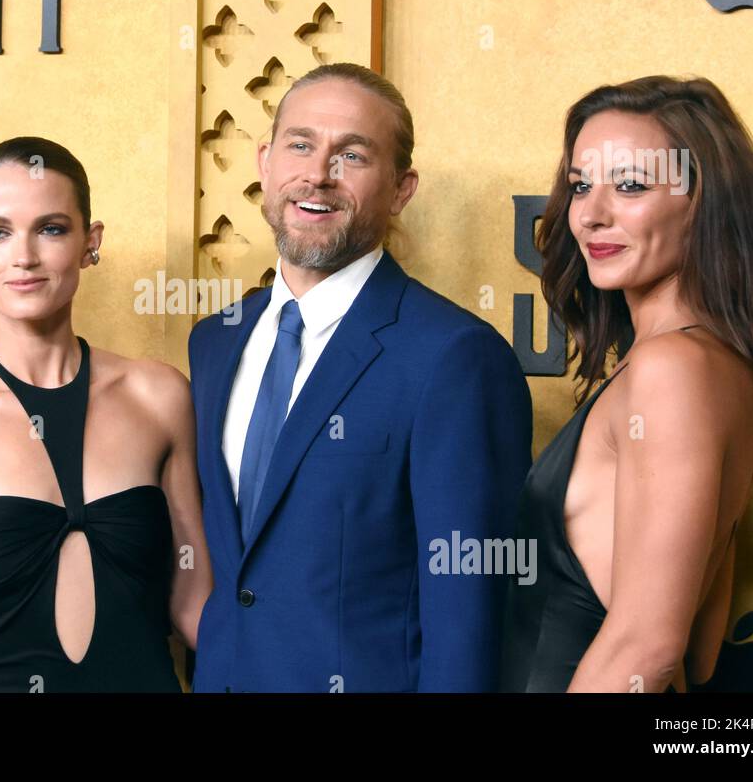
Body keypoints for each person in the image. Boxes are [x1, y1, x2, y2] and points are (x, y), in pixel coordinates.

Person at [188, 63, 533, 692]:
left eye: (352, 155)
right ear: (265, 163)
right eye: (300, 145)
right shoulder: (215, 342)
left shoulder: (454, 358)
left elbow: (469, 616)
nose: (318, 174)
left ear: (401, 189)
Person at [500, 75, 753, 693]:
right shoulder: (723, 366)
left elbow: (648, 645)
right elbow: (698, 657)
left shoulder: (671, 371)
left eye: (630, 186)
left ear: (703, 202)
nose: (592, 215)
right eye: (579, 186)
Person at [0, 137, 212, 692]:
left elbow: (195, 603)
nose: (23, 257)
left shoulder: (159, 395)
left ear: (89, 242)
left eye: (50, 228)